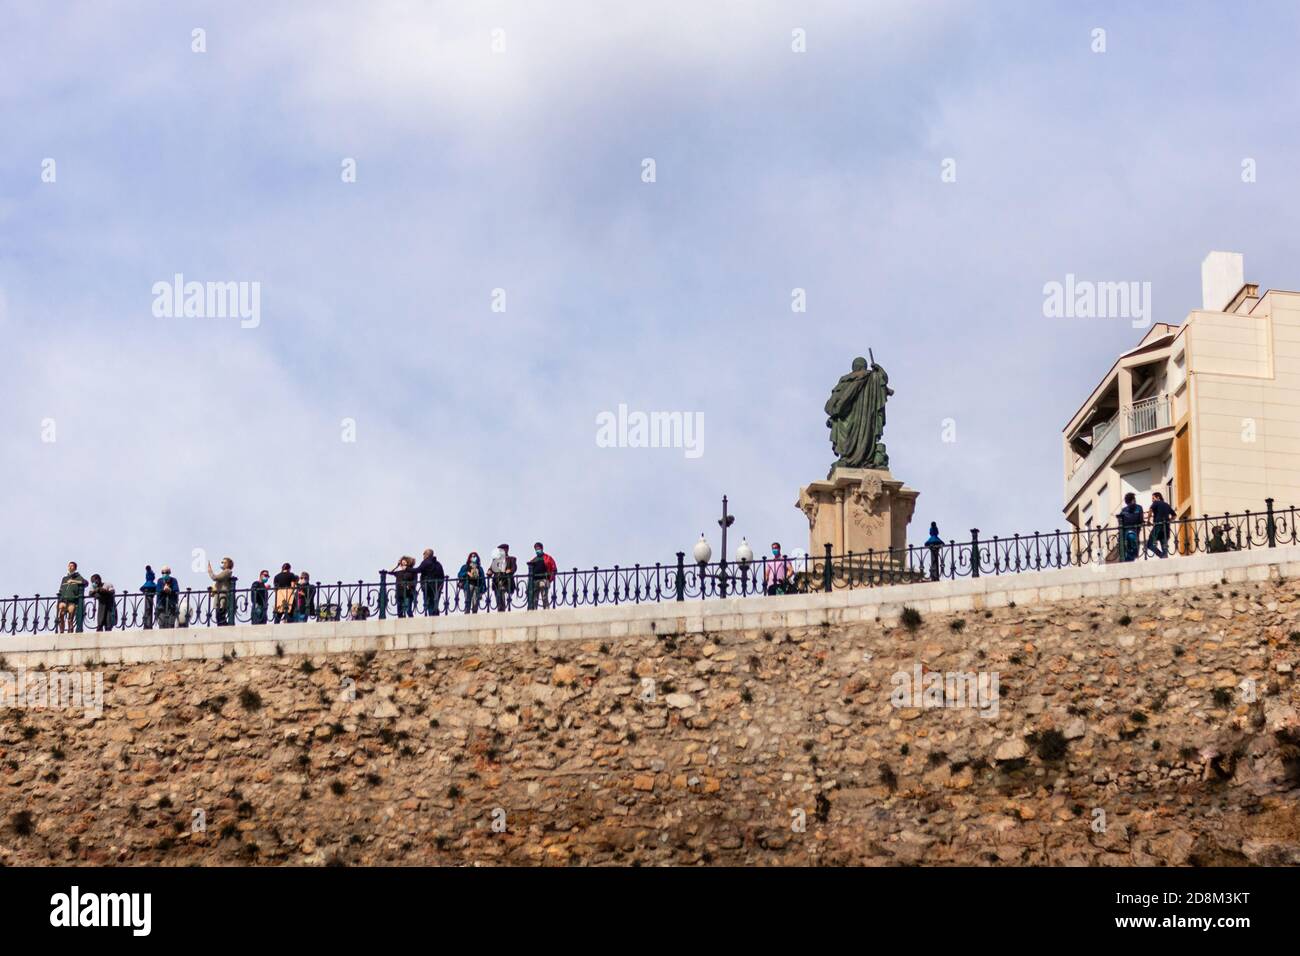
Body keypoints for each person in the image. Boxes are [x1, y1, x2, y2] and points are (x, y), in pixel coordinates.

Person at [55, 561, 87, 634]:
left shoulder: (78, 576)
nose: (70, 567)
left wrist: (73, 581)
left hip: (72, 600)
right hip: (64, 599)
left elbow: (85, 582)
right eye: (69, 566)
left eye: (72, 566)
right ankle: (62, 630)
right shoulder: (64, 578)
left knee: (70, 618)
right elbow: (61, 589)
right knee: (61, 615)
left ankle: (70, 631)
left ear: (75, 568)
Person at [413, 548, 445, 616]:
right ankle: (435, 615)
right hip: (437, 587)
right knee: (435, 603)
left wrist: (407, 569)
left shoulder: (426, 562)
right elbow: (442, 576)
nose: (423, 556)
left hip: (428, 586)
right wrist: (441, 586)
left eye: (424, 554)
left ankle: (432, 616)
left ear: (426, 554)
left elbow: (418, 570)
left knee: (428, 602)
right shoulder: (438, 564)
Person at [526, 542, 557, 610]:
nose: (537, 550)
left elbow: (554, 569)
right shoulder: (533, 560)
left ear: (542, 548)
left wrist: (549, 579)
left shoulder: (548, 558)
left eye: (538, 548)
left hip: (544, 580)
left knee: (544, 596)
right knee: (534, 598)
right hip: (535, 581)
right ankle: (533, 611)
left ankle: (546, 610)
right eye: (536, 549)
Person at [1145, 492, 1176, 559]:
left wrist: (1148, 521)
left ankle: (1161, 555)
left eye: (1153, 498)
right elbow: (1174, 516)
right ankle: (1164, 556)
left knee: (1149, 544)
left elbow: (1150, 510)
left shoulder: (1156, 502)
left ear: (1158, 497)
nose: (1152, 500)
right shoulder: (1167, 505)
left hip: (1158, 526)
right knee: (1164, 546)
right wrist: (1169, 521)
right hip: (1166, 528)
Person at [207, 557, 235, 626]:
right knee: (219, 616)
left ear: (228, 564)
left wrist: (210, 571)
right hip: (219, 597)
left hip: (222, 597)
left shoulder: (227, 571)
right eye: (222, 562)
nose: (222, 564)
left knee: (220, 615)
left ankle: (225, 628)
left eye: (224, 562)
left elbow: (215, 578)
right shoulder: (224, 572)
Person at [490, 544, 517, 612]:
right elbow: (492, 569)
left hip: (506, 581)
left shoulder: (511, 559)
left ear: (506, 550)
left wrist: (510, 570)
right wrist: (489, 571)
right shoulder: (496, 560)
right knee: (498, 595)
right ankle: (500, 608)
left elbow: (514, 568)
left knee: (502, 593)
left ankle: (502, 609)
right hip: (497, 581)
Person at [1118, 493, 1144, 562]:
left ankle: (1127, 559)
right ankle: (1130, 558)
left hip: (1126, 531)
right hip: (1134, 530)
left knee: (1128, 546)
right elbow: (1141, 520)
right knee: (1133, 546)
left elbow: (1120, 521)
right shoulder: (1139, 508)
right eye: (1134, 499)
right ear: (1133, 500)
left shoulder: (1123, 510)